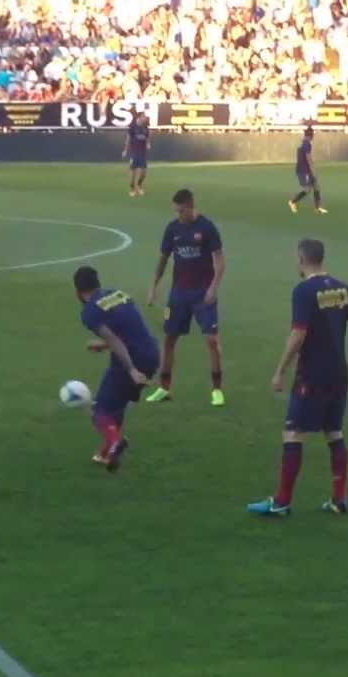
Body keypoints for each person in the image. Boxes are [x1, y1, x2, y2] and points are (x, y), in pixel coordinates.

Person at [248, 238, 348, 517]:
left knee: (293, 432)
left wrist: (280, 370)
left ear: (301, 260)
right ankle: (339, 499)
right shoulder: (341, 287)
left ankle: (281, 502)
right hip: (339, 372)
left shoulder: (304, 291)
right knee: (334, 431)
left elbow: (299, 333)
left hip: (312, 374)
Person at [145, 189, 226, 407]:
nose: (179, 215)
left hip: (202, 294)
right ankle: (164, 388)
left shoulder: (206, 227)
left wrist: (213, 288)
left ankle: (217, 390)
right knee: (169, 339)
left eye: (181, 211)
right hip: (178, 294)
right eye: (176, 211)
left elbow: (220, 260)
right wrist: (153, 287)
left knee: (211, 340)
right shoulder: (172, 229)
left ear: (190, 206)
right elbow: (162, 260)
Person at [75, 265, 160, 472]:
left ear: (77, 291)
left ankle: (114, 442)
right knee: (116, 406)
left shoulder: (89, 312)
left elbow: (113, 338)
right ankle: (106, 452)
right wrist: (103, 345)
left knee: (99, 411)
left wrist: (131, 369)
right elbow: (130, 328)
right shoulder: (117, 293)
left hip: (131, 359)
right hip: (151, 352)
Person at [288, 126, 326, 214]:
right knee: (308, 189)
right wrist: (314, 171)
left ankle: (317, 208)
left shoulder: (303, 142)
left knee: (316, 186)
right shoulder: (307, 144)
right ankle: (293, 202)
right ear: (310, 135)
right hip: (304, 171)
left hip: (304, 170)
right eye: (313, 135)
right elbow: (308, 158)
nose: (313, 137)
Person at [122, 112, 151, 197]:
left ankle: (138, 185)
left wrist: (148, 143)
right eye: (144, 117)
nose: (146, 118)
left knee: (144, 172)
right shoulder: (132, 127)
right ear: (140, 117)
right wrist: (125, 150)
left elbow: (147, 137)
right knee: (133, 172)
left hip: (143, 153)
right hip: (134, 153)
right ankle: (132, 188)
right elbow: (128, 139)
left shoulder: (146, 127)